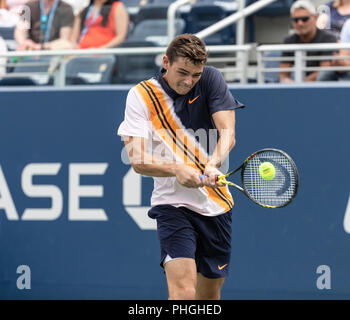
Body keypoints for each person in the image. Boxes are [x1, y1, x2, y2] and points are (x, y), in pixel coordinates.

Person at [117, 33, 245, 300]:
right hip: (172, 206)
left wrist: (212, 164)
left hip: (216, 204)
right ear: (166, 62)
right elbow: (138, 160)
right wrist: (176, 169)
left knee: (208, 297)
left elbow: (228, 134)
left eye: (195, 75)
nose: (188, 81)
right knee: (184, 293)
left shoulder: (211, 79)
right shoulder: (141, 96)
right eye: (182, 72)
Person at [279, 0, 338, 83]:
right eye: (296, 20)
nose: (300, 23)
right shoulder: (289, 41)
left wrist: (300, 85)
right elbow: (283, 74)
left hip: (322, 89)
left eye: (304, 19)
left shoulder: (328, 39)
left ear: (315, 18)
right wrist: (286, 81)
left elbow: (324, 71)